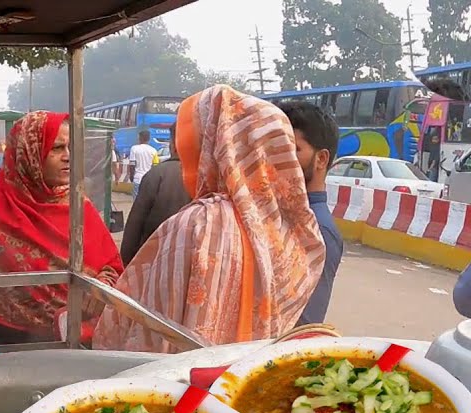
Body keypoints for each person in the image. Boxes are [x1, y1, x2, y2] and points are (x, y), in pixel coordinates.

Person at [94, 86, 325, 353]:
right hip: (247, 380)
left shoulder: (198, 224)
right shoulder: (294, 230)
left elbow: (146, 329)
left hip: (186, 385)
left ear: (217, 147)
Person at [0, 111, 124, 344]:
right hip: (12, 349)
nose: (67, 157)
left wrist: (101, 285)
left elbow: (112, 265)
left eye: (70, 147)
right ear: (29, 154)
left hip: (82, 347)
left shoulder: (79, 207)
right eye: (57, 148)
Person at [278, 101, 344, 326]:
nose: (280, 159)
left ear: (321, 159)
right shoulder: (281, 214)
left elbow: (304, 322)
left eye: (293, 149)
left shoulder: (319, 229)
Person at [120, 123, 191, 265]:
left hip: (154, 265)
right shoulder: (211, 177)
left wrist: (125, 266)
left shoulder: (156, 175)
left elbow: (134, 228)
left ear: (173, 144)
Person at [129, 130, 158, 200]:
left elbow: (132, 164)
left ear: (140, 138)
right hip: (148, 180)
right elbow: (155, 166)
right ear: (149, 138)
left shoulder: (134, 148)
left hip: (137, 179)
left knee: (136, 201)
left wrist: (131, 176)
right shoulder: (154, 151)